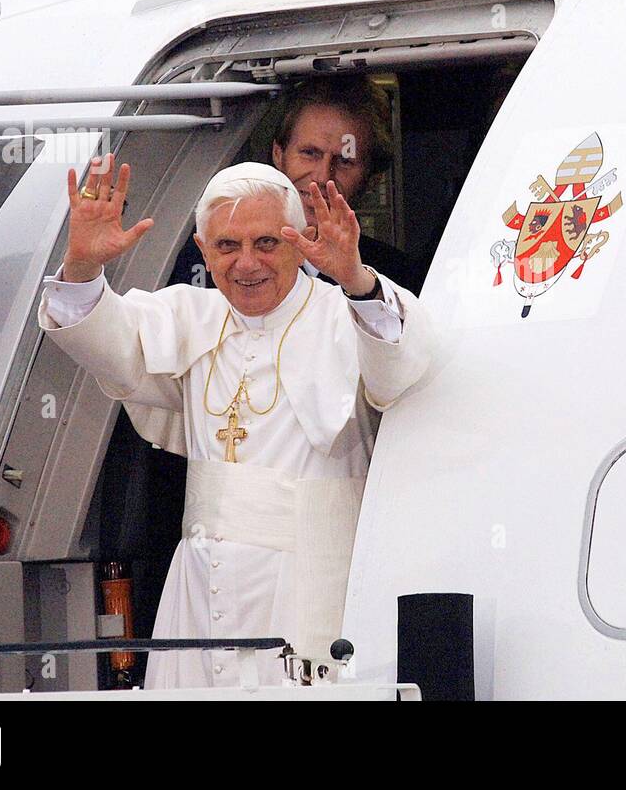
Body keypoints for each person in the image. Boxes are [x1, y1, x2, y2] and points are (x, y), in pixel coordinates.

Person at [36, 154, 434, 689]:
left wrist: (356, 278)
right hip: (199, 587)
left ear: (299, 240)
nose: (246, 263)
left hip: (311, 582)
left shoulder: (348, 313)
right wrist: (83, 265)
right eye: (227, 245)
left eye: (266, 243)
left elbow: (400, 369)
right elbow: (102, 340)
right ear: (204, 249)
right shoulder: (188, 316)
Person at [270, 76, 427, 294]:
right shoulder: (222, 261)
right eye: (310, 153)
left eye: (344, 162)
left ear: (373, 179)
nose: (323, 177)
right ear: (278, 155)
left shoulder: (399, 279)